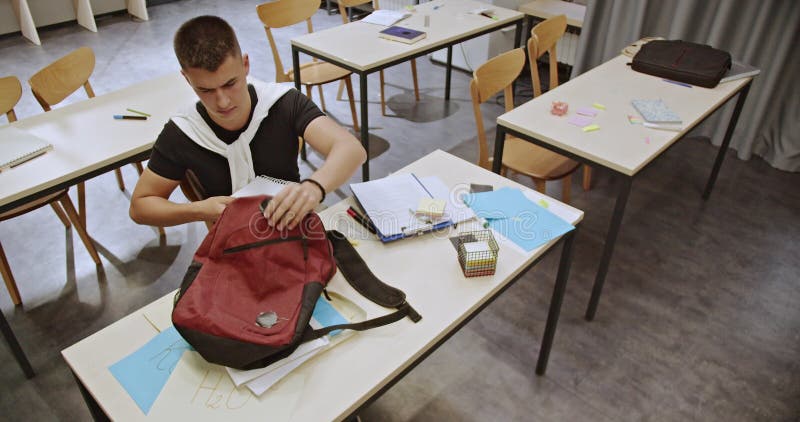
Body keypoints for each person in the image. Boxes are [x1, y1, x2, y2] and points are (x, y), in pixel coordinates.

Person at [129, 15, 366, 230]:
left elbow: (351, 148)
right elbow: (140, 206)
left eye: (230, 83)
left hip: (293, 225)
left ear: (245, 65)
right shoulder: (183, 131)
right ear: (186, 78)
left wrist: (314, 187)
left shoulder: (282, 103)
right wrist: (199, 210)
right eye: (205, 90)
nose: (222, 102)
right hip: (233, 239)